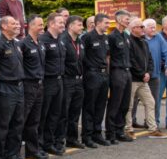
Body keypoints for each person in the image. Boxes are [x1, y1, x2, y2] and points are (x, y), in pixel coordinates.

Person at [0, 16, 26, 159]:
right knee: (2, 125)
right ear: (4, 26)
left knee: (17, 123)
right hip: (5, 87)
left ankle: (12, 154)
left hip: (19, 87)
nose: (17, 25)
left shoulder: (15, 43)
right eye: (13, 23)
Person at [125, 18, 167, 139]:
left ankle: (152, 129)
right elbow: (131, 60)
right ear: (134, 29)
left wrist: (148, 73)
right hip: (133, 79)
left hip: (144, 79)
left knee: (150, 102)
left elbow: (149, 59)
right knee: (129, 105)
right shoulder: (129, 42)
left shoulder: (144, 42)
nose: (143, 29)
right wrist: (141, 74)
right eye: (141, 27)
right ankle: (128, 129)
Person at [20, 14, 48, 159]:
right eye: (39, 24)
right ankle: (12, 152)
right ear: (30, 26)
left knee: (34, 120)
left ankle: (32, 150)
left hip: (39, 85)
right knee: (22, 119)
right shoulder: (24, 44)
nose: (42, 27)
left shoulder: (41, 43)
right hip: (28, 85)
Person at [81, 13, 111, 148]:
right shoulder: (87, 37)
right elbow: (82, 56)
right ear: (98, 23)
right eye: (106, 23)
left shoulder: (105, 38)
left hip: (104, 75)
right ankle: (87, 136)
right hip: (92, 75)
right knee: (90, 106)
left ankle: (97, 133)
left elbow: (107, 56)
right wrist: (90, 69)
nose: (108, 25)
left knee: (100, 105)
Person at [39, 13, 67, 155]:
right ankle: (41, 143)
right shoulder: (43, 39)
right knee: (45, 113)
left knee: (56, 114)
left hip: (59, 80)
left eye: (63, 22)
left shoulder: (61, 39)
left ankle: (50, 142)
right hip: (48, 81)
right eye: (60, 22)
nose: (63, 24)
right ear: (51, 24)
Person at [56, 15, 86, 149]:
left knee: (75, 112)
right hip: (67, 80)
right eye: (79, 25)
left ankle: (72, 139)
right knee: (64, 112)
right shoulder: (63, 40)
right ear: (71, 26)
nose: (82, 27)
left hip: (79, 80)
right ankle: (59, 140)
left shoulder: (79, 41)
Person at [105, 10, 134, 144]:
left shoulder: (127, 36)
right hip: (117, 72)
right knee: (115, 103)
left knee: (125, 104)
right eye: (127, 19)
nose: (128, 21)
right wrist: (109, 74)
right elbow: (108, 57)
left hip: (127, 72)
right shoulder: (112, 37)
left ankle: (119, 131)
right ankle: (110, 133)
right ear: (119, 20)